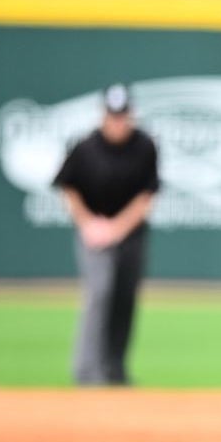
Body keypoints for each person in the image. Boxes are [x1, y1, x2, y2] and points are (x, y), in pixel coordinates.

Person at [53, 84, 159, 386]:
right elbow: (68, 187)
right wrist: (88, 224)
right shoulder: (86, 147)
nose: (118, 122)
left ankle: (115, 371)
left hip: (131, 234)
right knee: (100, 292)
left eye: (123, 115)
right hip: (94, 234)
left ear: (131, 115)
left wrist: (118, 228)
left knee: (124, 299)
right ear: (103, 115)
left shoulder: (145, 146)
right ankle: (87, 372)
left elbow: (147, 196)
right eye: (113, 115)